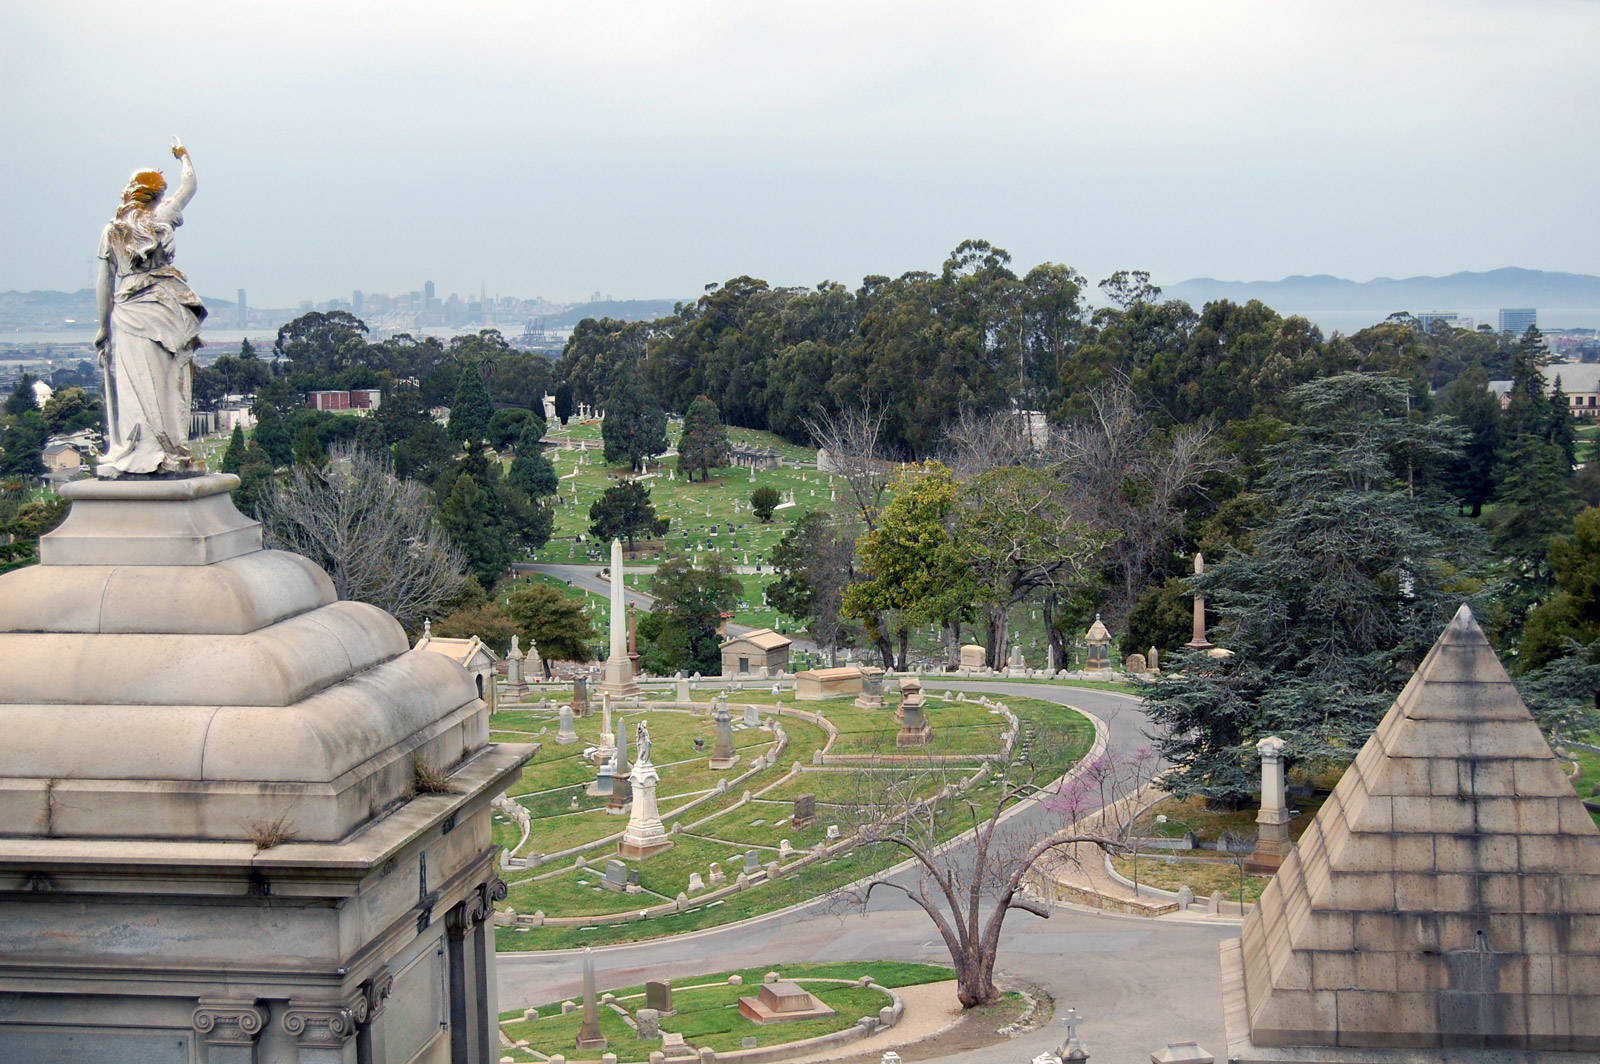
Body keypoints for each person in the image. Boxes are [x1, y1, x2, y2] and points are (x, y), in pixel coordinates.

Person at [93, 137, 205, 476]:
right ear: (156, 195)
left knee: (137, 384)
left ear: (130, 192)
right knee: (168, 379)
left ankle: (144, 451)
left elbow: (104, 283)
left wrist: (102, 327)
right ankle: (169, 448)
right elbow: (190, 186)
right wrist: (183, 156)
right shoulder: (161, 218)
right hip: (166, 308)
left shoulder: (114, 231)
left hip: (130, 311)